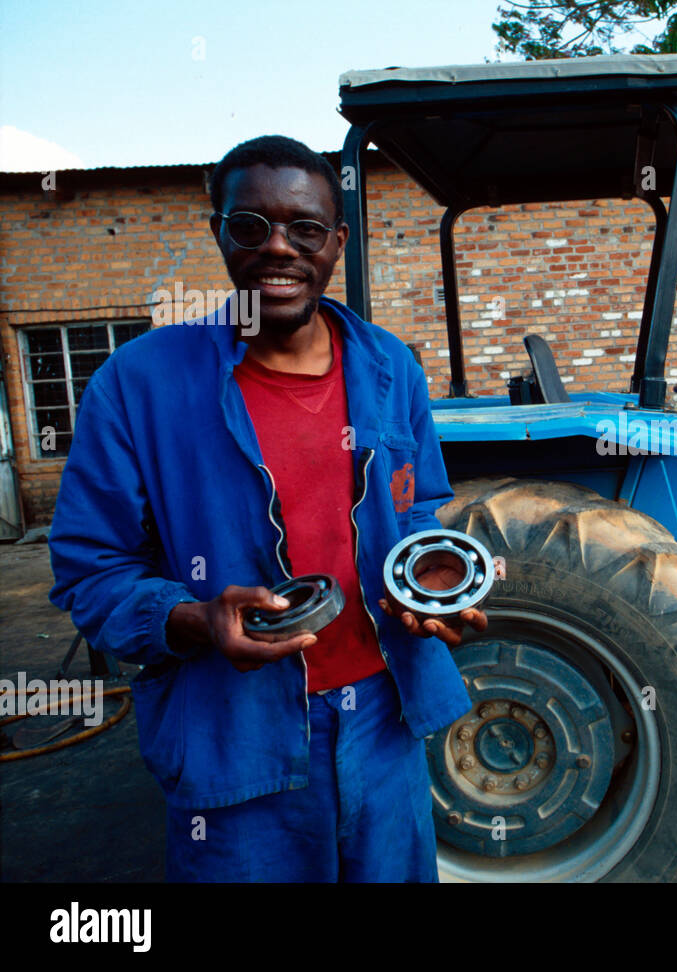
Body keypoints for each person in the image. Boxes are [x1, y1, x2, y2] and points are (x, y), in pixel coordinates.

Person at [48, 134, 485, 882]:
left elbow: (418, 512)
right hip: (233, 738)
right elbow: (91, 571)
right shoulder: (138, 384)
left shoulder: (390, 368)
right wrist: (193, 619)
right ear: (219, 231)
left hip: (384, 723)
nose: (278, 249)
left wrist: (437, 584)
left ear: (336, 242)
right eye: (250, 226)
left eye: (305, 229)